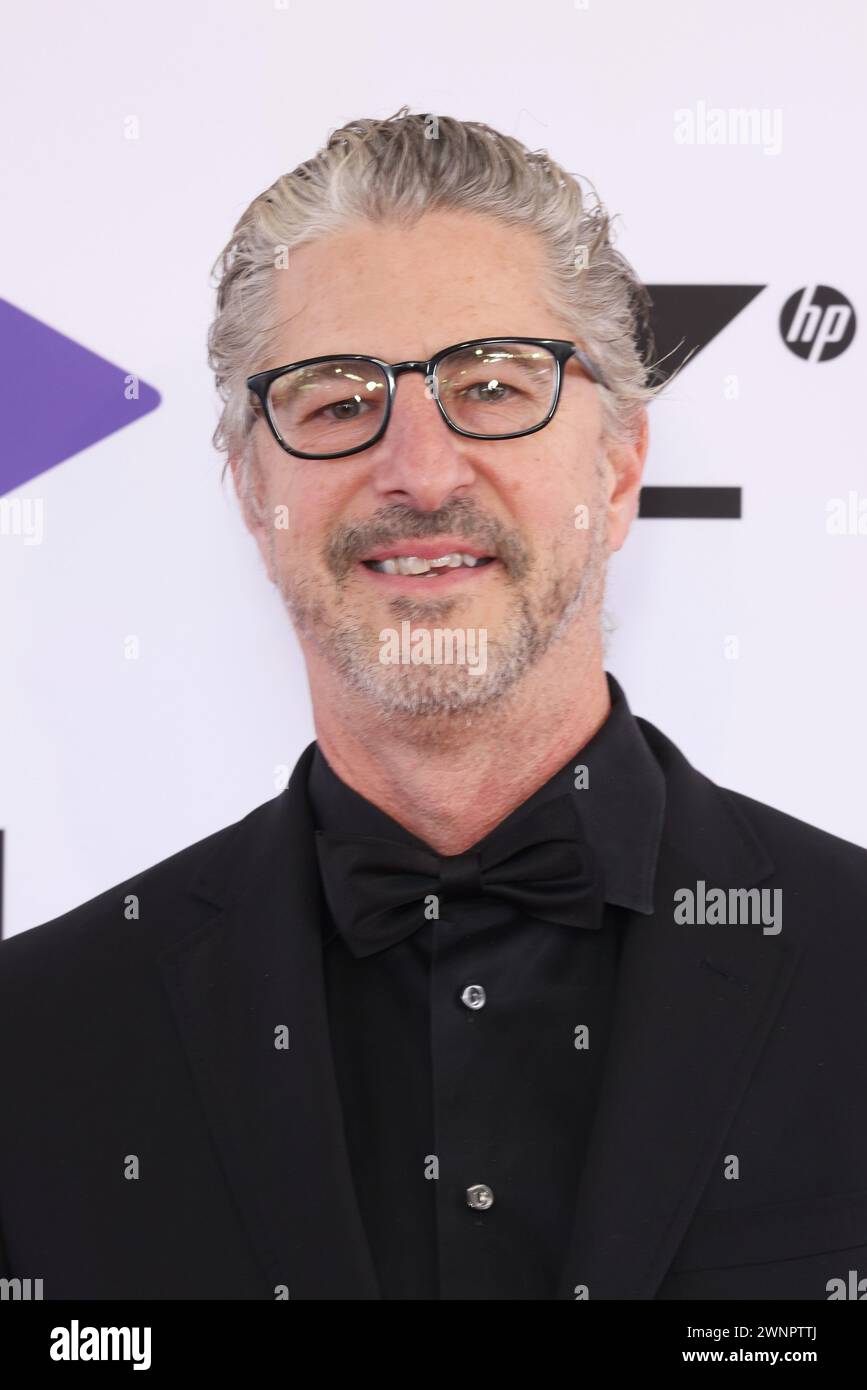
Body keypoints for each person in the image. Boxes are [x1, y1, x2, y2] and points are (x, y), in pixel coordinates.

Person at [2, 109, 866, 1302]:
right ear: (255, 500)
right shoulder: (37, 1039)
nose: (419, 469)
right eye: (337, 402)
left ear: (616, 472)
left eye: (495, 385)